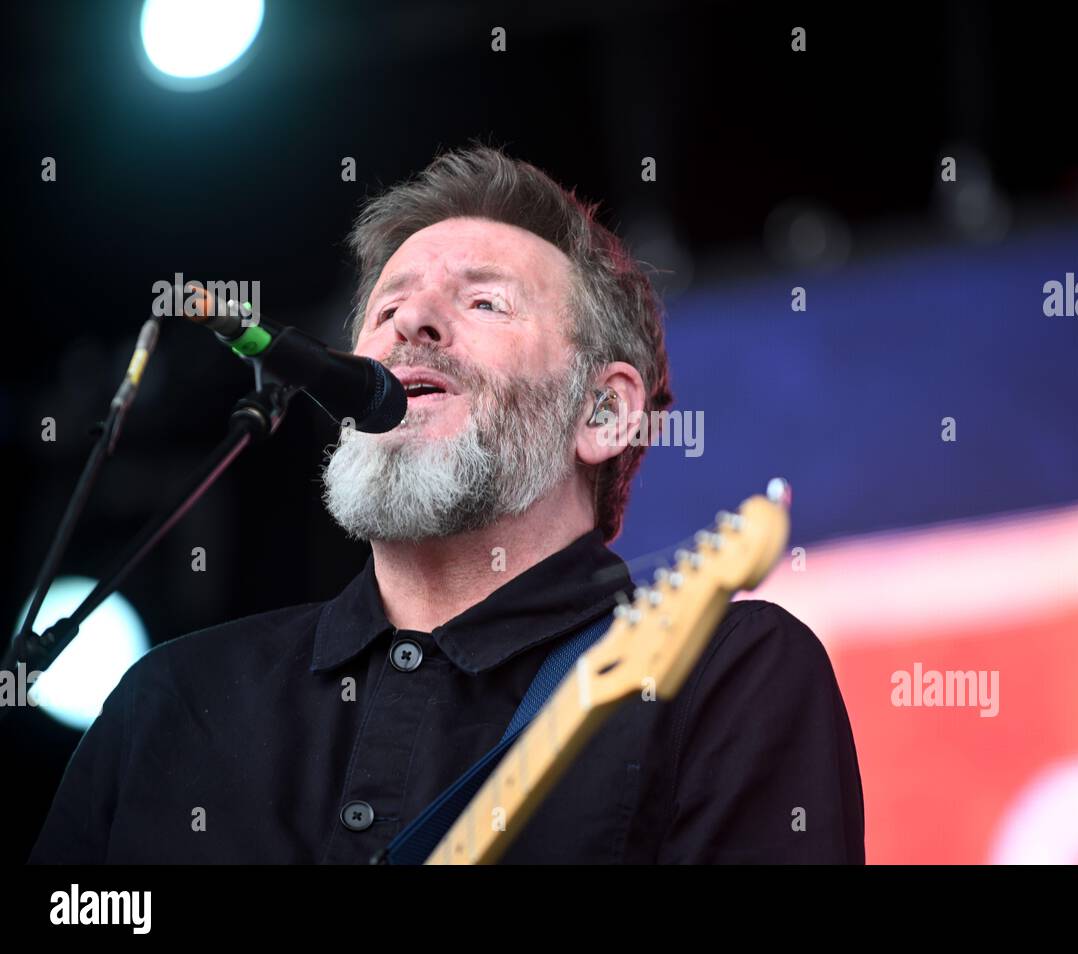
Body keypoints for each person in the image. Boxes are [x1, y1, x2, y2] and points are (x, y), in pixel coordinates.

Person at [28, 145, 864, 864]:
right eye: (386, 306)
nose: (411, 323)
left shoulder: (722, 669)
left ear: (604, 412)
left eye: (482, 301)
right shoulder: (169, 701)